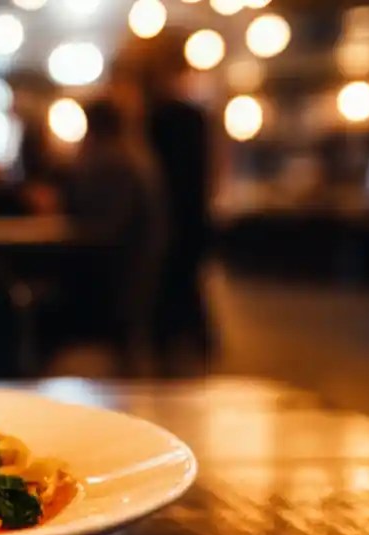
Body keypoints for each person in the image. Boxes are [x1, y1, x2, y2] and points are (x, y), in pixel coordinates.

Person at [65, 97, 167, 375]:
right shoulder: (133, 157)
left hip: (117, 272)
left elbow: (103, 227)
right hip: (136, 265)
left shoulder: (110, 161)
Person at [138, 32, 214, 373]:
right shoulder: (192, 117)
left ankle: (174, 356)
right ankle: (188, 354)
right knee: (184, 287)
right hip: (190, 216)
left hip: (168, 219)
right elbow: (206, 173)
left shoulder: (155, 118)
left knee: (171, 289)